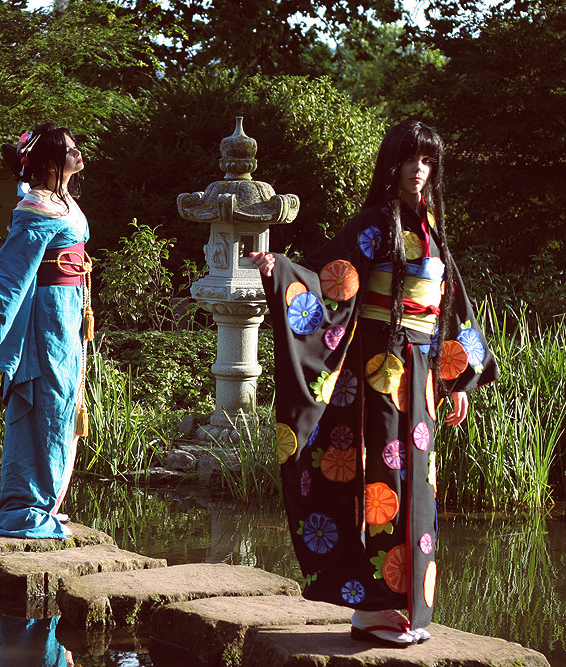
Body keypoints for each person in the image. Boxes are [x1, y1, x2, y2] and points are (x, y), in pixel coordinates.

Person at [249, 120, 498, 647]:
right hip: (380, 373)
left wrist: (457, 383)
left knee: (418, 490)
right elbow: (328, 279)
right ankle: (372, 609)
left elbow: (451, 309)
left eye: (429, 161)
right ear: (393, 165)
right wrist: (281, 269)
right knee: (382, 484)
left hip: (423, 375)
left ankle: (406, 608)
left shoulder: (432, 227)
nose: (420, 170)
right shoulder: (373, 225)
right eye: (411, 159)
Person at [0, 122, 91, 539]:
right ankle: (23, 505)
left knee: (64, 400)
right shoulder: (37, 206)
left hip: (68, 315)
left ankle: (44, 501)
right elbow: (12, 268)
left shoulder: (63, 201)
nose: (78, 152)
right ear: (49, 160)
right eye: (70, 148)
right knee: (44, 403)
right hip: (45, 317)